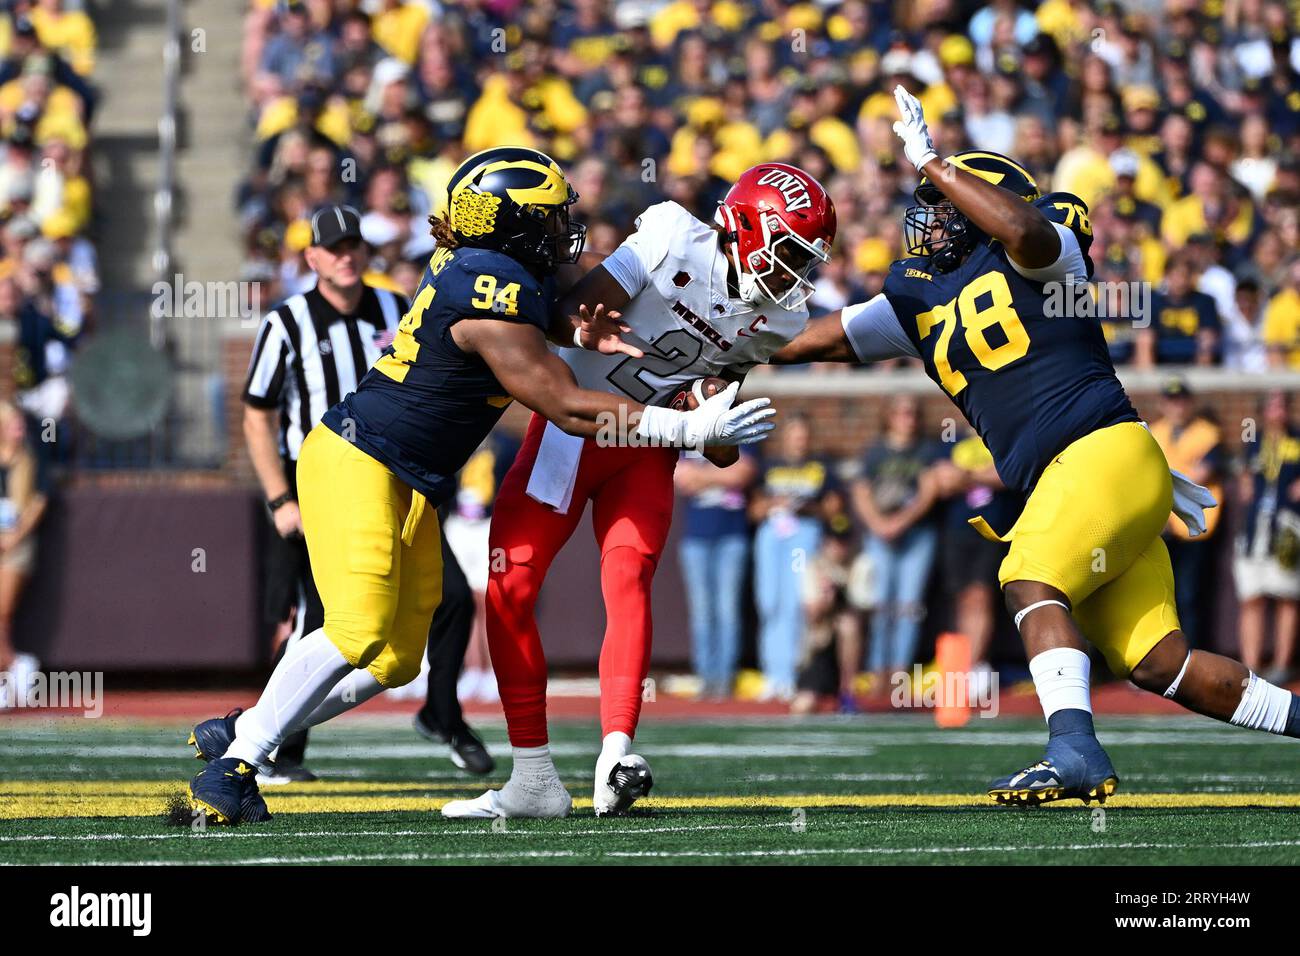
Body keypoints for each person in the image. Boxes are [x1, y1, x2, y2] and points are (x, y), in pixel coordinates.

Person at [186, 146, 775, 824]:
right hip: (359, 460)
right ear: (510, 222)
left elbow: (546, 311)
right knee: (356, 627)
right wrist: (687, 428)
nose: (561, 230)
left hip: (404, 479)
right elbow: (565, 404)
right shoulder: (488, 284)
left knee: (399, 661)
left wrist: (582, 323)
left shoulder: (493, 269)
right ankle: (237, 766)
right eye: (548, 218)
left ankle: (248, 727)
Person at [769, 88, 1298, 809]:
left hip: (1096, 457)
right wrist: (720, 354)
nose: (929, 215)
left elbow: (1024, 231)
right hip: (1086, 479)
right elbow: (817, 339)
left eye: (944, 202)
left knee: (1028, 576)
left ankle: (1074, 750)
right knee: (1158, 664)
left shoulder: (1050, 262)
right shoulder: (918, 298)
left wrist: (934, 157)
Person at [444, 162, 835, 819]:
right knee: (511, 583)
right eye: (793, 250)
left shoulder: (778, 317)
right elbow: (575, 313)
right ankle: (532, 778)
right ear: (747, 229)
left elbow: (717, 439)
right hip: (575, 429)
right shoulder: (672, 235)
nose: (799, 272)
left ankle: (616, 754)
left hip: (646, 451)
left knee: (629, 583)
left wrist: (713, 424)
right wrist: (653, 374)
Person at [240, 203, 408, 783]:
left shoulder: (394, 308)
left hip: (386, 478)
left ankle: (446, 719)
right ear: (311, 258)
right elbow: (257, 414)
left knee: (444, 605)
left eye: (353, 245)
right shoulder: (286, 322)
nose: (345, 255)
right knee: (312, 616)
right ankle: (263, 745)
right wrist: (279, 499)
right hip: (311, 482)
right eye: (333, 247)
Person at [852, 395, 941, 691]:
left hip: (916, 534)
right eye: (902, 413)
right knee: (880, 604)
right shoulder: (874, 452)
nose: (909, 418)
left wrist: (900, 522)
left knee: (908, 605)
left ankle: (898, 672)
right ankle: (878, 670)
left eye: (913, 413)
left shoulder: (926, 451)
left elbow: (929, 492)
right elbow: (861, 492)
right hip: (880, 535)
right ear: (889, 416)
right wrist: (880, 524)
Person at [750, 414, 839, 701]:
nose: (799, 440)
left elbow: (833, 510)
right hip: (772, 536)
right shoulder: (770, 466)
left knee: (794, 602)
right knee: (769, 601)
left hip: (803, 534)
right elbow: (754, 509)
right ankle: (771, 673)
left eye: (803, 435)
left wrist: (806, 506)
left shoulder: (820, 468)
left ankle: (789, 674)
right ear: (786, 437)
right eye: (794, 434)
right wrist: (775, 504)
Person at [674, 446, 758, 699]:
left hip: (732, 537)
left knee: (727, 609)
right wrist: (721, 472)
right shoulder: (688, 435)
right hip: (696, 538)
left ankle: (724, 677)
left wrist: (702, 476)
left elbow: (742, 474)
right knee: (702, 611)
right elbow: (682, 479)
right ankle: (706, 677)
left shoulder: (738, 432)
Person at [1148, 377, 1222, 649]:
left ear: (1190, 404)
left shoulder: (1208, 433)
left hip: (1194, 524)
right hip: (1161, 526)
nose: (1177, 407)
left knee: (1190, 595)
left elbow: (1203, 473)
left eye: (1181, 401)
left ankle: (1191, 657)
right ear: (1162, 404)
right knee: (1160, 596)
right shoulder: (1153, 432)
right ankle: (1162, 656)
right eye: (1171, 401)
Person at [1235, 390, 1300, 683]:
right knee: (1252, 596)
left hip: (1287, 526)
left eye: (1282, 405)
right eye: (1272, 405)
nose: (1278, 411)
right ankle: (1252, 665)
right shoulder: (1253, 439)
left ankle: (1282, 664)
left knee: (1287, 596)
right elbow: (1244, 473)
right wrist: (1244, 480)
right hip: (1254, 529)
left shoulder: (1297, 438)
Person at [0, 401, 47, 676]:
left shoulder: (31, 458)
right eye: (14, 425)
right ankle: (14, 666)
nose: (20, 430)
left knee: (2, 612)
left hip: (17, 544)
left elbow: (38, 502)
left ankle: (13, 666)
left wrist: (14, 537)